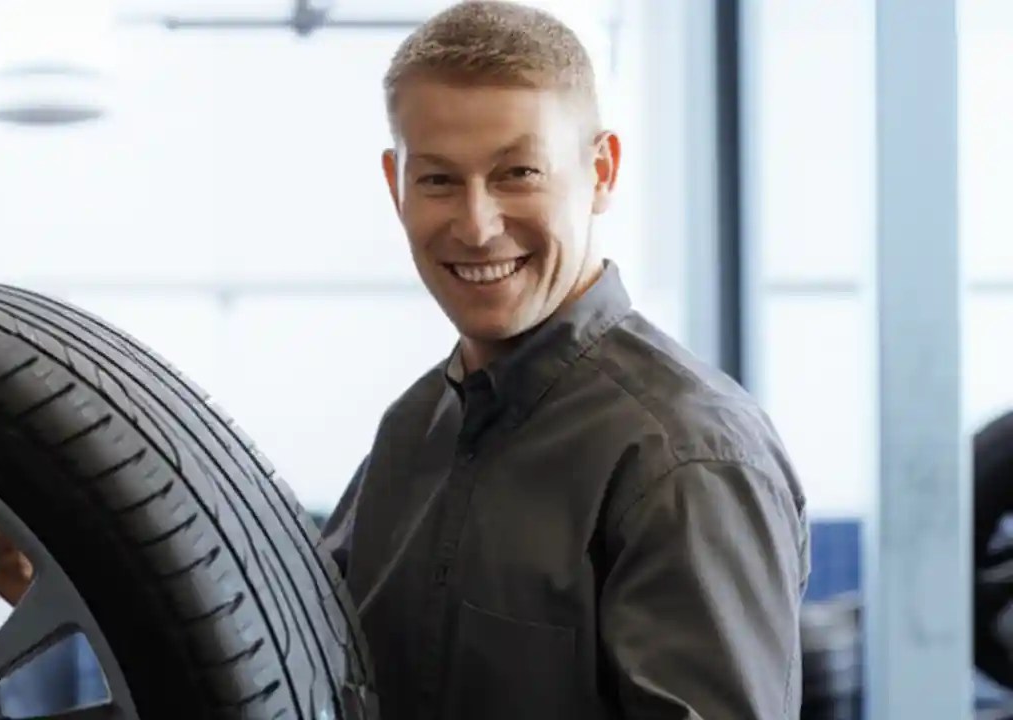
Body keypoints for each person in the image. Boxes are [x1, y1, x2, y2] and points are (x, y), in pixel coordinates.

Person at [318, 2, 810, 719]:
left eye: (517, 172)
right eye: (438, 181)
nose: (477, 225)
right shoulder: (413, 429)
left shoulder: (685, 460)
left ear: (601, 171)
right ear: (397, 184)